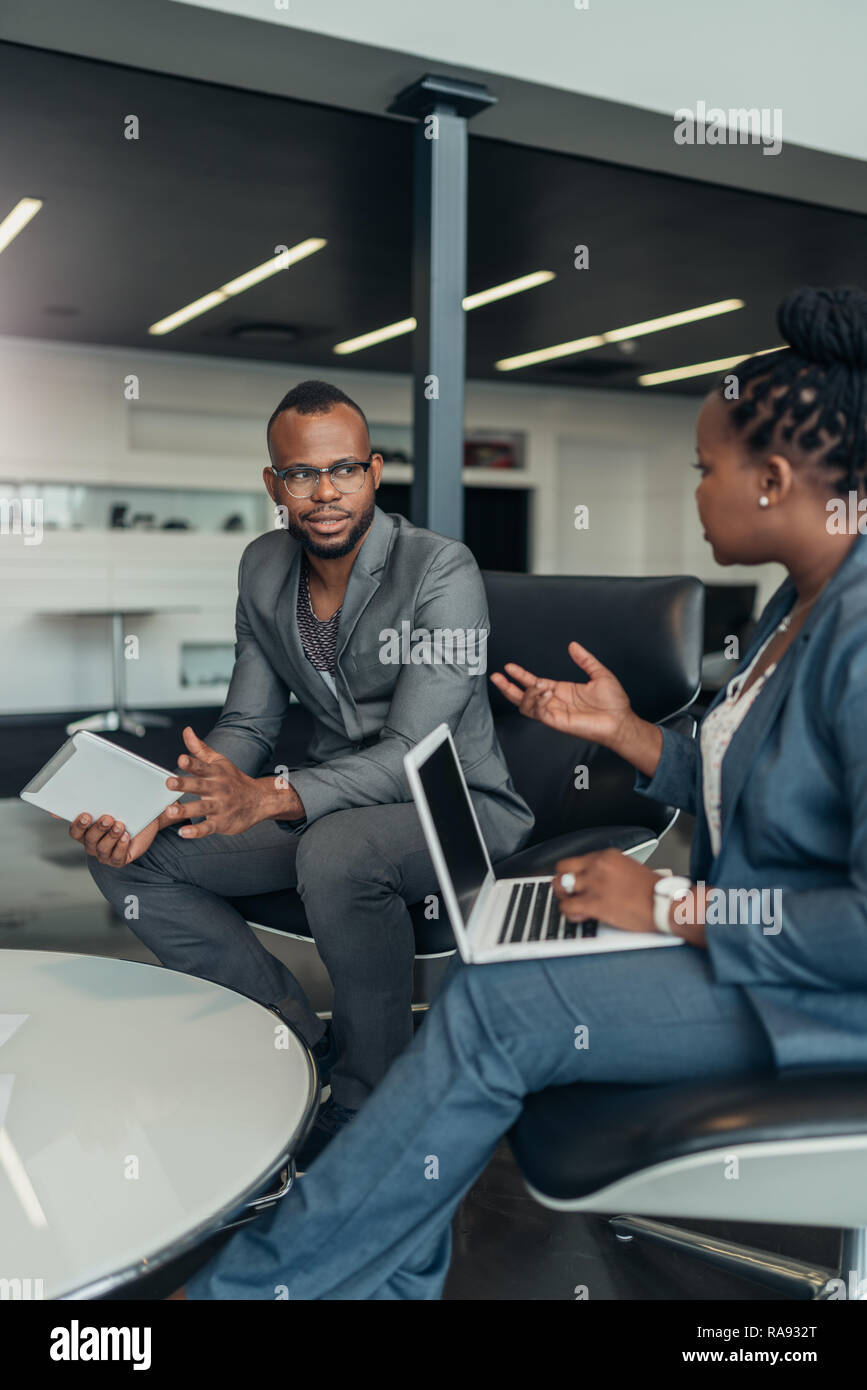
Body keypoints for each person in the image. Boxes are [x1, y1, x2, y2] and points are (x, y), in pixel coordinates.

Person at [171, 284, 867, 1299]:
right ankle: (384, 1275)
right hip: (761, 960)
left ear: (771, 479)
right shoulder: (793, 607)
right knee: (496, 970)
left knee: (495, 1006)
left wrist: (671, 904)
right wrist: (631, 735)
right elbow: (761, 798)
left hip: (815, 997)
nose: (695, 491)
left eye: (704, 470)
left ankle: (250, 1292)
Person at [72, 380, 533, 1165]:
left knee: (336, 848)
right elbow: (249, 723)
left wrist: (274, 798)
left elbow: (412, 751)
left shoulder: (440, 570)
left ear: (375, 472)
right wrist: (168, 802)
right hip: (328, 807)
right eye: (300, 474)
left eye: (344, 470)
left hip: (457, 806)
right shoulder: (261, 568)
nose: (324, 494)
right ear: (272, 484)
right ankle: (290, 1030)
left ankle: (371, 1097)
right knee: (136, 855)